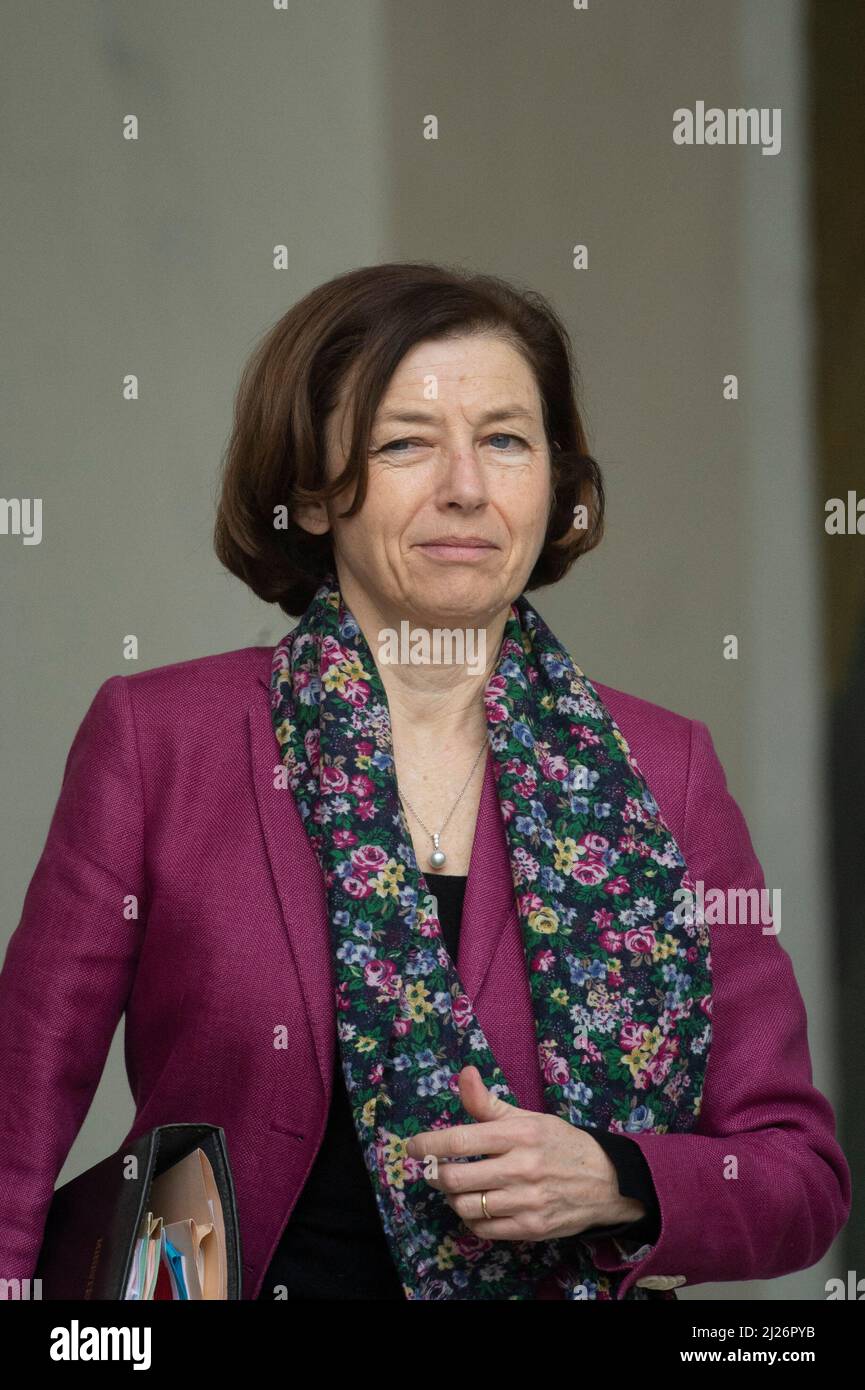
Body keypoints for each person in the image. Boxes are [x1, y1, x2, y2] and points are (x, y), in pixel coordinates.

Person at [0, 262, 851, 1300]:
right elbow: (17, 1115)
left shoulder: (663, 770)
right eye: (405, 442)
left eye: (505, 439)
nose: (466, 486)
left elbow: (795, 1175)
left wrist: (620, 1176)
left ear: (555, 485)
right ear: (310, 495)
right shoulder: (160, 738)